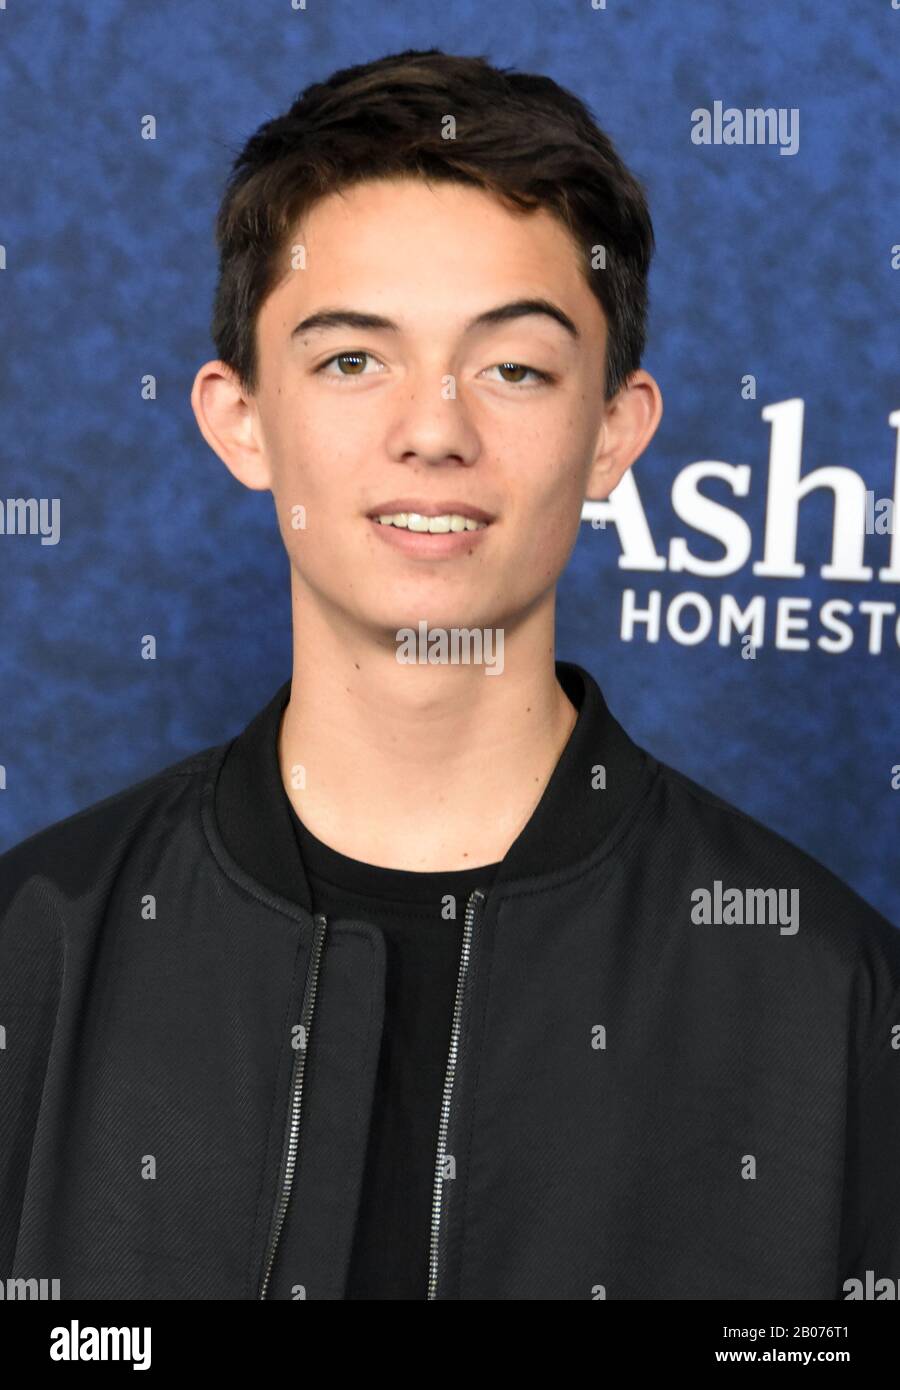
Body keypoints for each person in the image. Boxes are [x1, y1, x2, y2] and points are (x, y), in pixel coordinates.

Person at [1, 48, 897, 1302]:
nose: (435, 428)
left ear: (615, 431)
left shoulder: (833, 997)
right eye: (352, 359)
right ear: (239, 419)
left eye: (516, 367)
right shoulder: (34, 949)